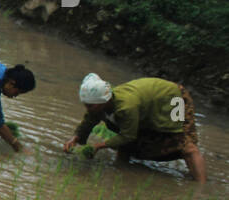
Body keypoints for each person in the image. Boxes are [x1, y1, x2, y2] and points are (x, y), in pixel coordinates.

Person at [63, 73, 206, 182]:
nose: (87, 108)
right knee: (127, 146)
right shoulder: (100, 105)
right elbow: (89, 121)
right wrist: (75, 138)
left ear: (104, 101)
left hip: (174, 97)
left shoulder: (126, 107)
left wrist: (98, 146)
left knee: (185, 144)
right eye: (85, 104)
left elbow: (128, 135)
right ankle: (122, 175)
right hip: (150, 104)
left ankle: (201, 187)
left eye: (90, 105)